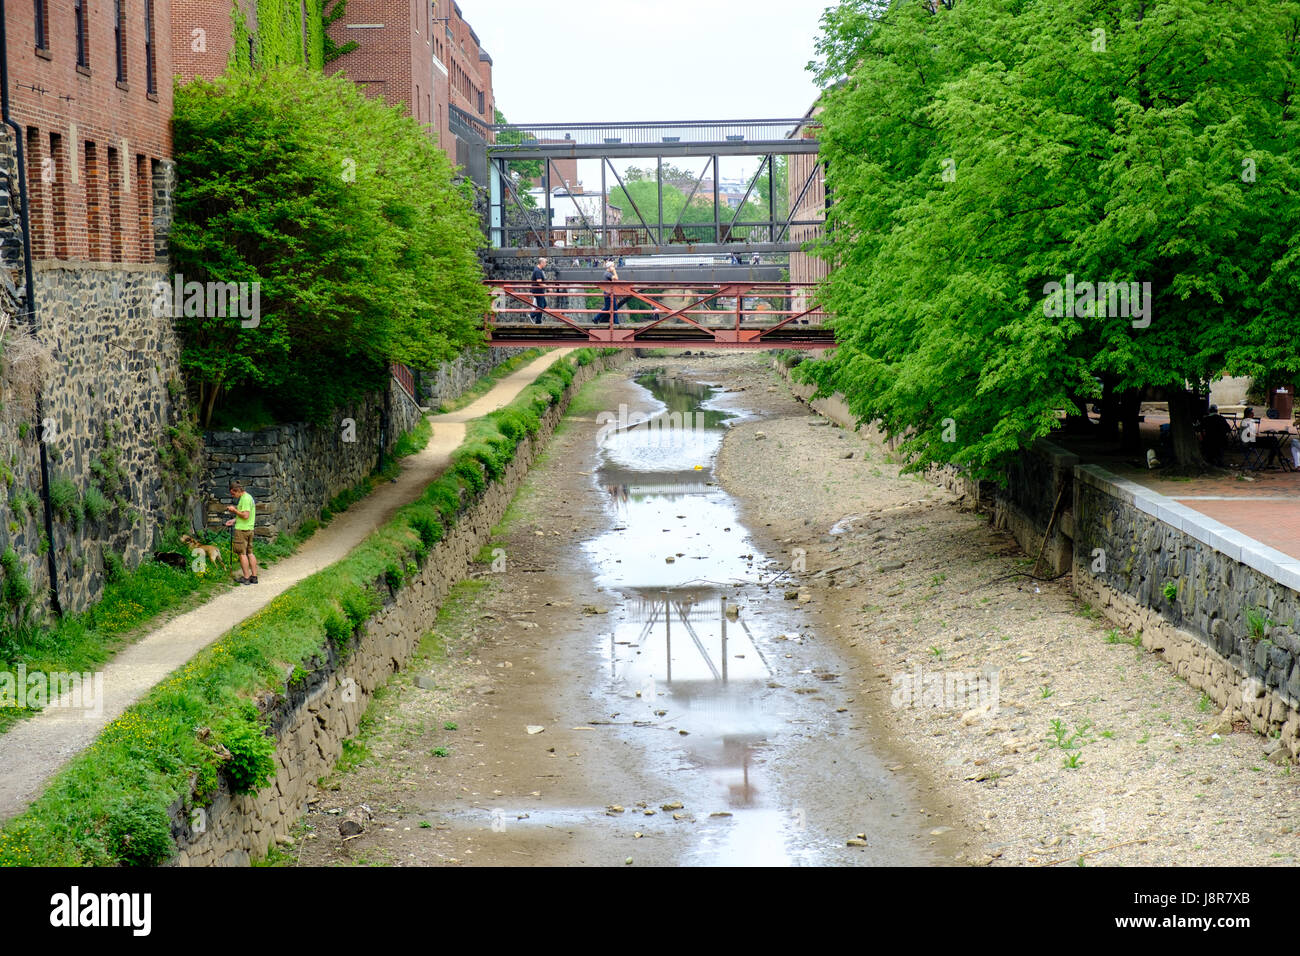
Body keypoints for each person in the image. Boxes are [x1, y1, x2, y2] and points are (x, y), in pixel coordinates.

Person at [224, 481, 259, 585]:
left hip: (242, 531)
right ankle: (254, 576)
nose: (233, 496)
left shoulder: (244, 499)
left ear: (238, 490)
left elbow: (245, 515)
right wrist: (234, 520)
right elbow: (245, 515)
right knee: (250, 553)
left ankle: (246, 578)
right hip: (249, 529)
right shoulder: (249, 497)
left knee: (242, 554)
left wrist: (234, 510)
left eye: (233, 493)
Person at [600, 260, 621, 325]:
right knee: (614, 308)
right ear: (609, 267)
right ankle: (616, 322)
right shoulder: (608, 274)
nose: (614, 267)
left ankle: (596, 319)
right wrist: (614, 271)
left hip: (608, 292)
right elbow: (617, 278)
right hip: (609, 293)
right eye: (613, 266)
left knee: (608, 307)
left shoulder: (606, 273)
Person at [529, 257, 548, 324]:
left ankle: (537, 320)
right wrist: (548, 287)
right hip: (538, 291)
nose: (546, 264)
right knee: (541, 306)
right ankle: (533, 316)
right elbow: (539, 282)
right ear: (541, 263)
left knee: (543, 305)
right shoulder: (537, 271)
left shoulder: (539, 270)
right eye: (545, 262)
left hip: (539, 291)